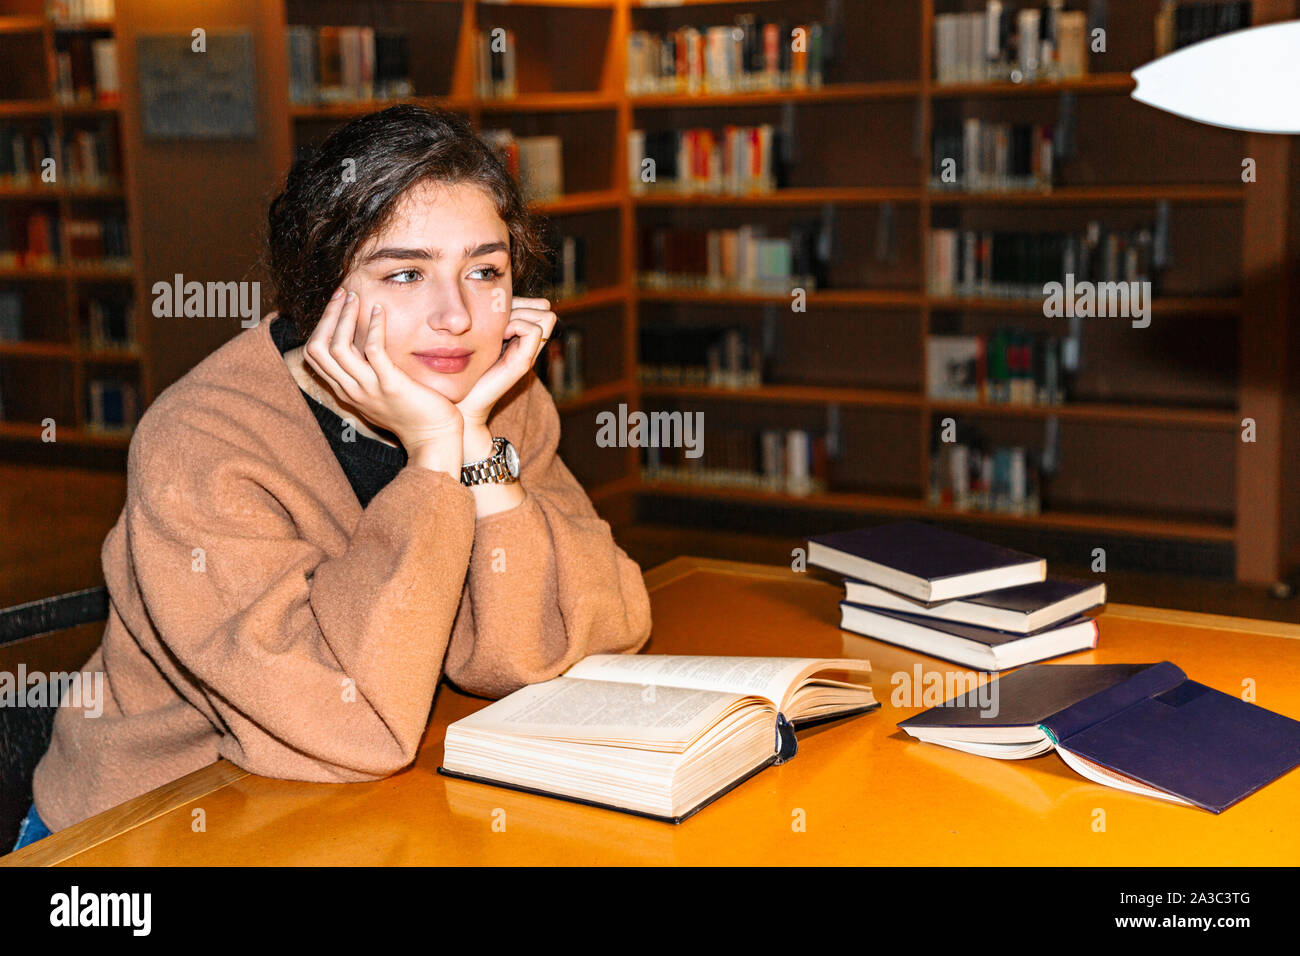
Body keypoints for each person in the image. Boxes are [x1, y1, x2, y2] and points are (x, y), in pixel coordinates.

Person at [14, 105, 652, 852]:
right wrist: (432, 462)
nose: (457, 316)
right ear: (321, 291)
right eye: (407, 273)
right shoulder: (201, 441)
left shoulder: (502, 400)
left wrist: (475, 445)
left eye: (485, 270)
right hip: (148, 829)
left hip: (358, 816)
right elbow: (350, 727)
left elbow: (573, 635)